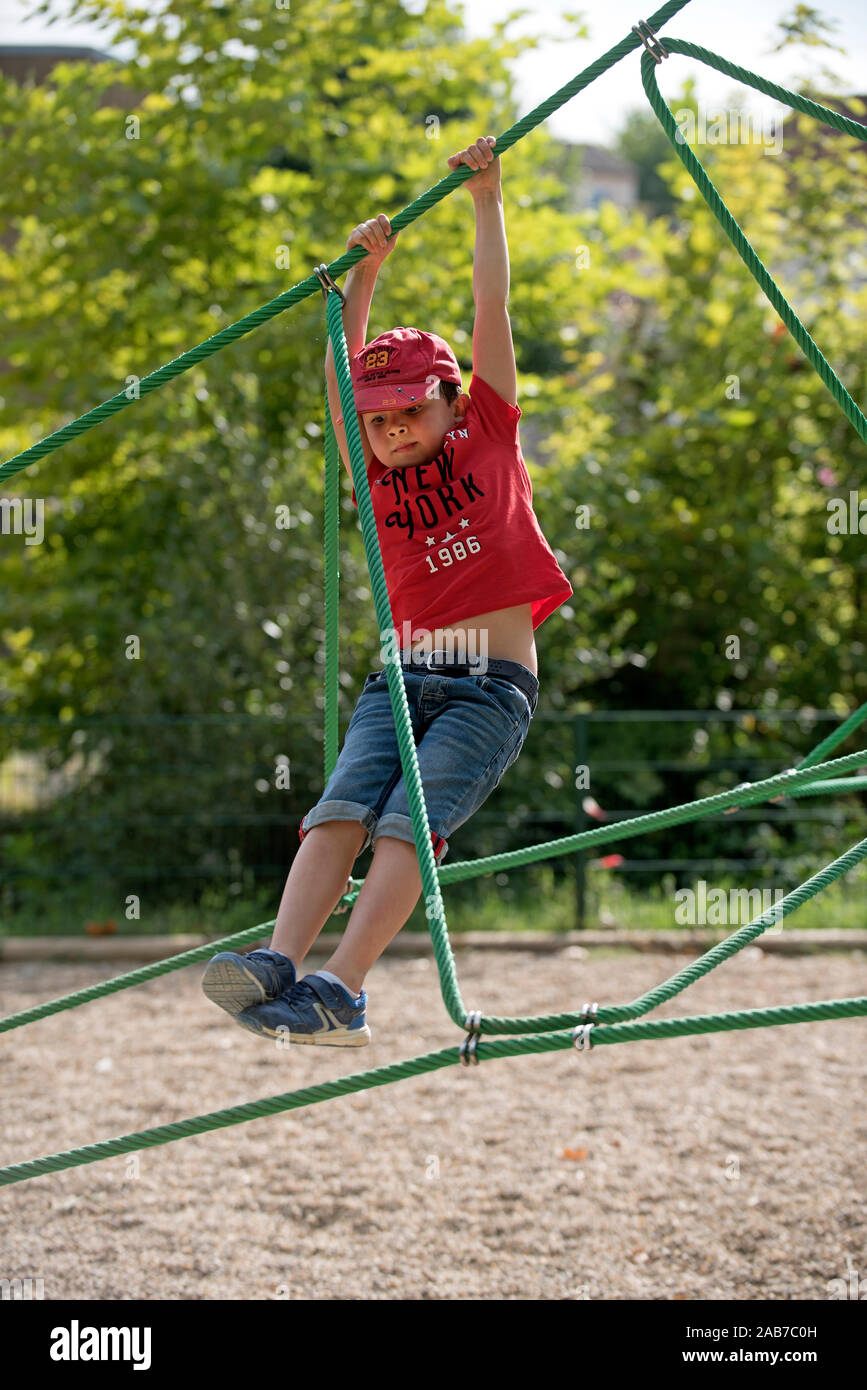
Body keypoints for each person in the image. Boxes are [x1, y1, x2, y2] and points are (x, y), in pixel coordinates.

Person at [202, 135, 573, 1045]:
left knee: (408, 827)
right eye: (380, 417)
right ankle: (278, 961)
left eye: (413, 407)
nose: (395, 427)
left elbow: (493, 306)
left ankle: (345, 986)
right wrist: (355, 286)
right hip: (398, 680)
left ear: (451, 402)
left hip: (487, 687)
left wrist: (486, 200)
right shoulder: (369, 474)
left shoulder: (487, 433)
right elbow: (341, 383)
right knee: (336, 811)